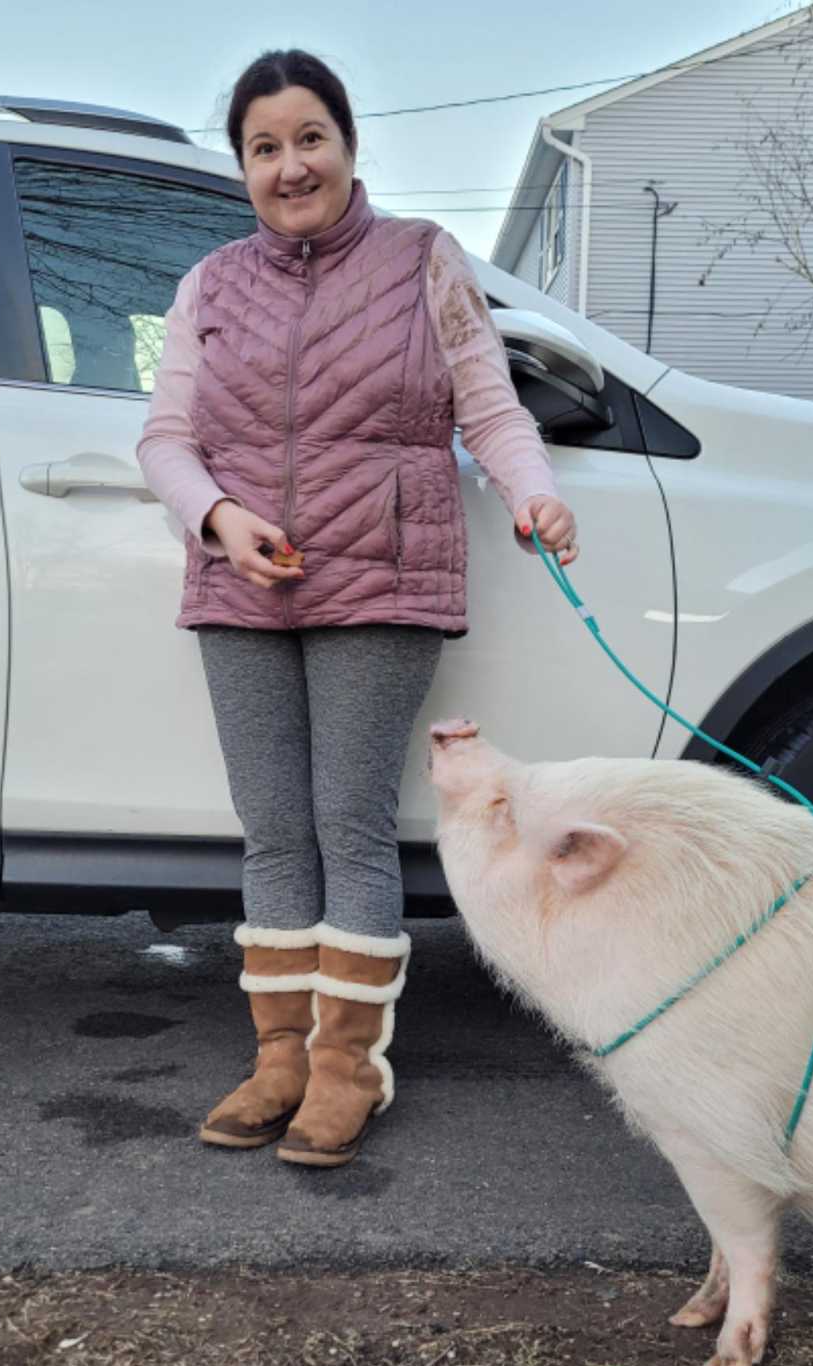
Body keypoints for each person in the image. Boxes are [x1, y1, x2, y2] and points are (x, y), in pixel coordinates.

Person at [136, 47, 578, 1168]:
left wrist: (532, 492)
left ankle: (349, 1069)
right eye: (264, 148)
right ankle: (279, 1058)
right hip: (242, 581)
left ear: (347, 143)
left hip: (382, 576)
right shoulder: (209, 285)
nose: (290, 166)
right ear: (242, 166)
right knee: (274, 829)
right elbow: (165, 440)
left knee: (349, 822)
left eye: (309, 138)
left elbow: (489, 406)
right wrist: (217, 518)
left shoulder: (424, 259)